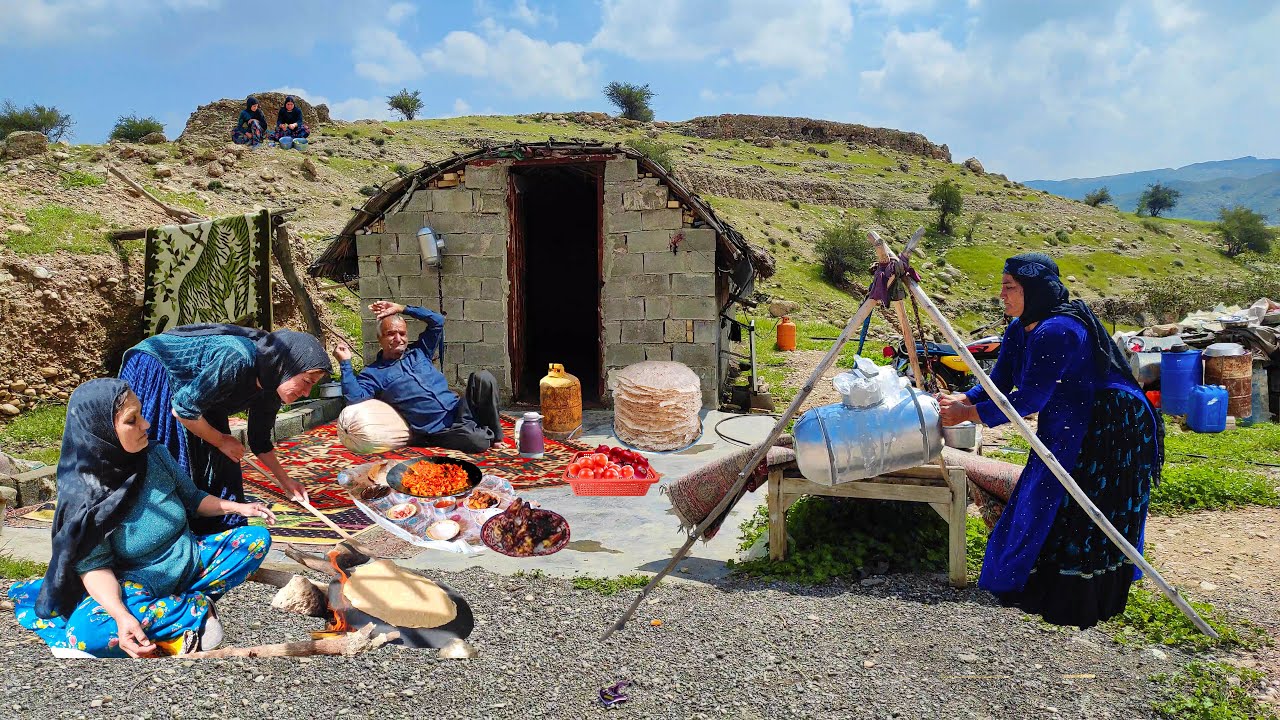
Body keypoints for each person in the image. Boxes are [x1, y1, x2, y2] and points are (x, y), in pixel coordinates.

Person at [937, 253, 1162, 629]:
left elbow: (1029, 399)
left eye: (1010, 287)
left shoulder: (1059, 330)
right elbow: (1000, 380)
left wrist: (971, 415)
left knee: (1083, 500)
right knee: (1045, 491)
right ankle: (1034, 583)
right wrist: (967, 398)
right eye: (1003, 286)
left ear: (1035, 289)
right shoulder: (1020, 327)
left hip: (1108, 421)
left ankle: (1078, 597)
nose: (1002, 295)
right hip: (1069, 415)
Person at [7, 379, 275, 658]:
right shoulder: (86, 497)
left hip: (189, 558)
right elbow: (95, 567)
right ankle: (194, 607)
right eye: (132, 420)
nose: (145, 425)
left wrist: (239, 508)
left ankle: (167, 614)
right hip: (136, 582)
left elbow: (193, 499)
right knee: (84, 633)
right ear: (102, 431)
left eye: (141, 415)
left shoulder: (155, 456)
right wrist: (122, 616)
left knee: (254, 540)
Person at [119, 325, 331, 535]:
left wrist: (286, 482)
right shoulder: (236, 357)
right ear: (287, 366)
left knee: (224, 462)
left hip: (202, 395)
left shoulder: (272, 380)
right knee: (172, 460)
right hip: (159, 368)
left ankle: (224, 535)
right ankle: (168, 538)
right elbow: (183, 410)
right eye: (306, 382)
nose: (306, 393)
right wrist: (220, 440)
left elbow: (259, 440)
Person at [334, 301, 502, 453]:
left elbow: (437, 321)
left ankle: (495, 437)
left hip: (458, 408)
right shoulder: (373, 374)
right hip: (439, 429)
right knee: (478, 442)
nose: (398, 339)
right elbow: (355, 400)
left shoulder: (420, 351)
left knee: (483, 378)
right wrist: (345, 363)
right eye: (391, 334)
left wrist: (402, 308)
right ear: (380, 338)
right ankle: (478, 431)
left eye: (402, 333)